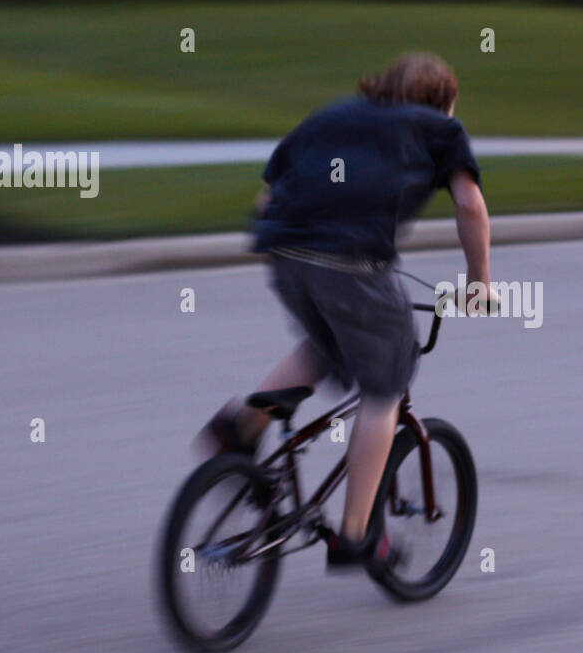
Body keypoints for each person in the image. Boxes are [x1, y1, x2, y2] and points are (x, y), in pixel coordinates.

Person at [201, 52, 491, 571]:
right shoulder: (440, 129)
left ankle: (241, 427)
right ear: (444, 104)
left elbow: (268, 196)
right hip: (353, 265)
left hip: (284, 257)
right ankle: (356, 536)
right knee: (384, 386)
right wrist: (478, 283)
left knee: (327, 345)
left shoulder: (332, 116)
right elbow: (469, 205)